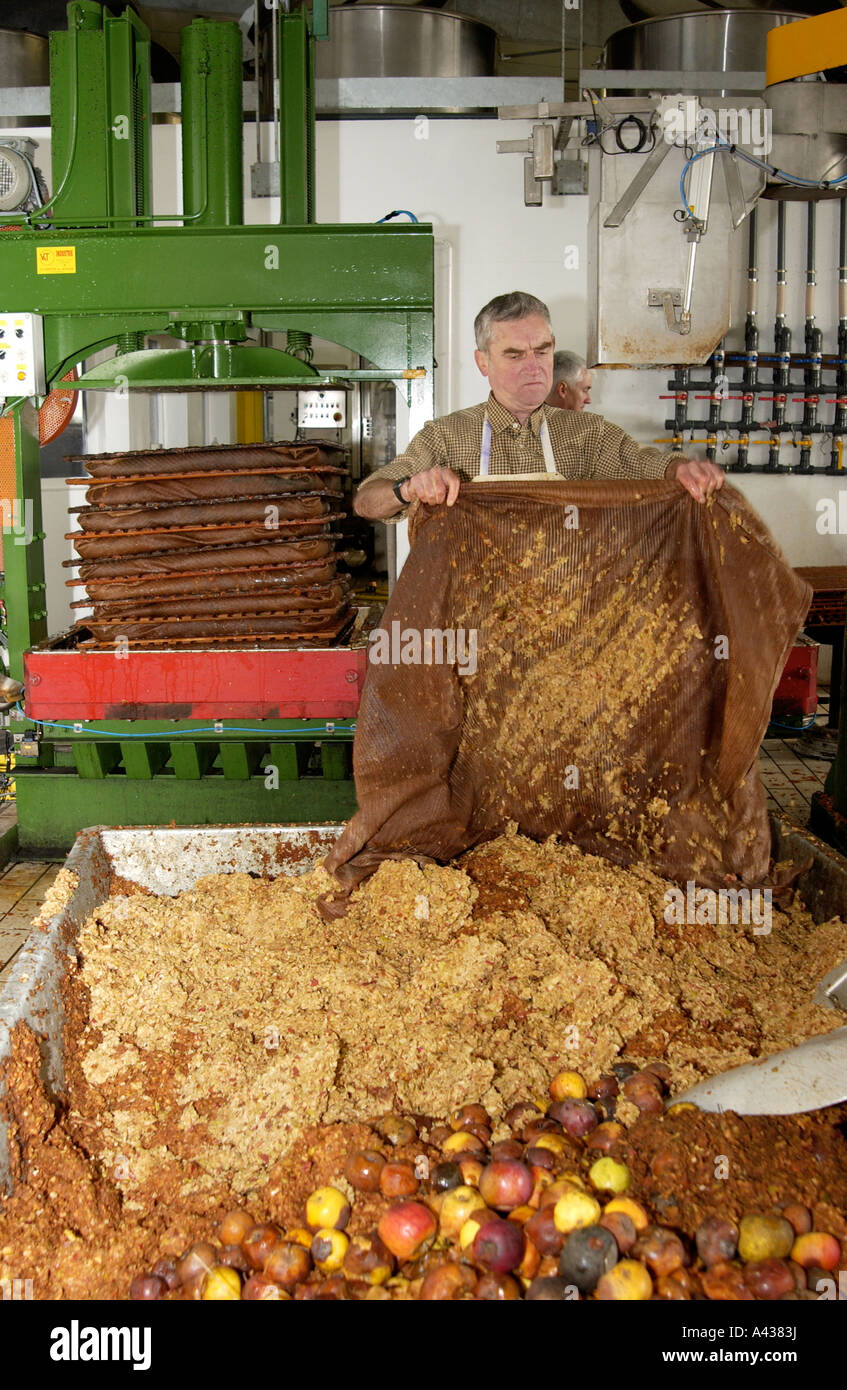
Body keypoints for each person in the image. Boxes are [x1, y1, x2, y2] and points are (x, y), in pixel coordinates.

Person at [353, 290, 723, 520]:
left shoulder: (589, 435)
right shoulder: (446, 437)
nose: (533, 367)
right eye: (514, 355)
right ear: (483, 362)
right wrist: (409, 489)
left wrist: (682, 470)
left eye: (542, 351)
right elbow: (366, 501)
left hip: (568, 620)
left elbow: (646, 465)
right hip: (478, 622)